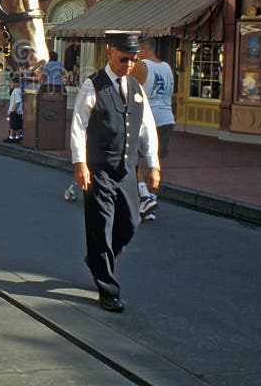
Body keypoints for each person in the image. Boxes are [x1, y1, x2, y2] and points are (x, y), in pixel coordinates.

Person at [70, 30, 160, 313]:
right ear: (110, 53)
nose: (129, 65)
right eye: (124, 59)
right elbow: (78, 126)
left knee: (130, 223)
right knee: (100, 227)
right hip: (99, 170)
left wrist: (153, 163)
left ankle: (98, 261)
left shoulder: (136, 87)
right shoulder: (92, 85)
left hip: (126, 170)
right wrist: (79, 163)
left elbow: (147, 128)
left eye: (134, 59)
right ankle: (108, 289)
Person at [131, 37, 175, 222]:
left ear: (144, 49)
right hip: (166, 117)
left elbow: (129, 90)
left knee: (132, 158)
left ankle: (144, 196)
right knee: (155, 163)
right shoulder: (167, 67)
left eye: (136, 50)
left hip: (147, 119)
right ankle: (151, 201)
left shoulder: (141, 65)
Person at [4, 74, 23, 143]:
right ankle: (13, 137)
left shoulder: (16, 91)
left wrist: (13, 110)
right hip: (16, 111)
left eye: (12, 82)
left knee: (13, 125)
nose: (11, 84)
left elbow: (17, 102)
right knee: (13, 125)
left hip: (15, 112)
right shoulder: (16, 90)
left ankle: (15, 136)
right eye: (11, 82)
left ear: (17, 84)